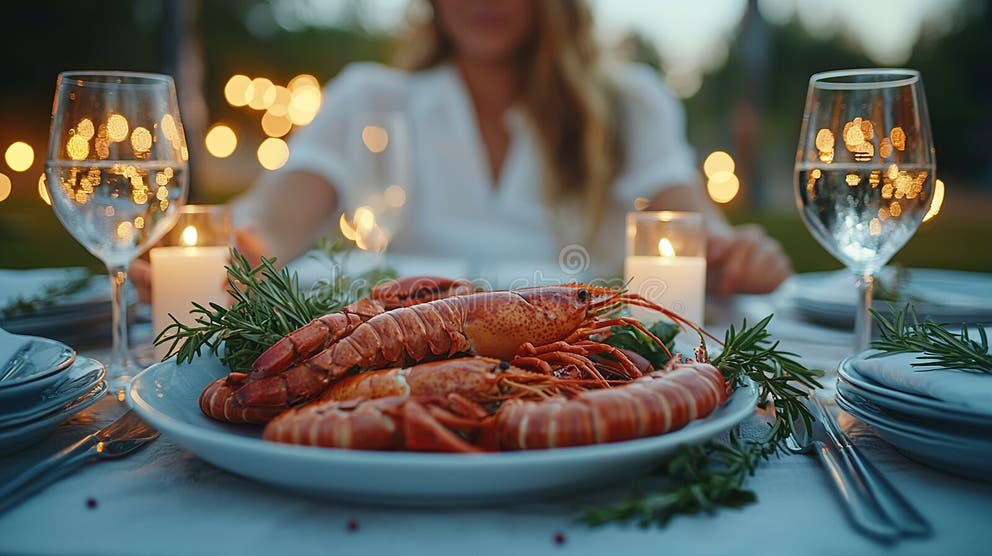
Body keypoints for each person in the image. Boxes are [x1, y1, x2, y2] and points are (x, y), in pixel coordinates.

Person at [135, 0, 790, 297]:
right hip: (402, 359)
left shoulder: (629, 104)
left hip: (584, 366)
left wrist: (740, 256)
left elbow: (699, 234)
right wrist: (228, 256)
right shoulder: (371, 99)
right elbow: (274, 223)